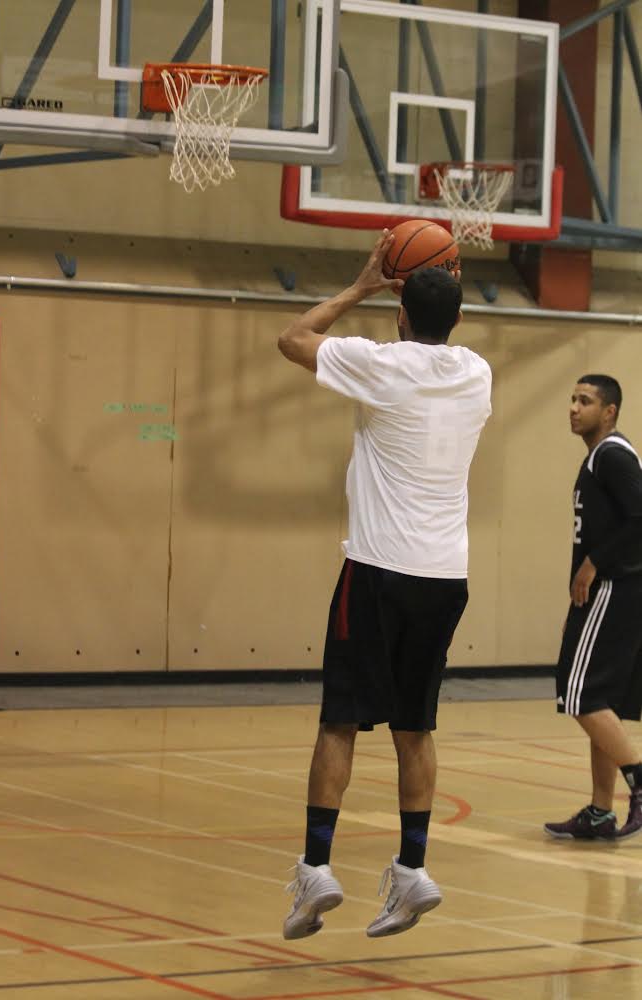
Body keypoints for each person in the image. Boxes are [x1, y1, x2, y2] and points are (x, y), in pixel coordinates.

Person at [277, 230, 492, 940]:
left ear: (400, 313)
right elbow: (432, 329)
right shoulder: (477, 374)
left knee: (340, 718)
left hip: (375, 568)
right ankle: (412, 870)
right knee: (414, 726)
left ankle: (315, 869)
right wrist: (410, 290)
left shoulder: (378, 364)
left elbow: (293, 337)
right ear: (457, 320)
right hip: (444, 578)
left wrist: (363, 284)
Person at [545, 375, 642, 843]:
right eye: (572, 399)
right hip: (606, 592)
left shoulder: (613, 455)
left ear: (610, 411)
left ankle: (639, 781)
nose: (573, 407)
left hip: (614, 586)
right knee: (600, 698)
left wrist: (592, 566)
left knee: (578, 692)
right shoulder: (599, 458)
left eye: (585, 401)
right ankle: (602, 812)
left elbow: (639, 516)